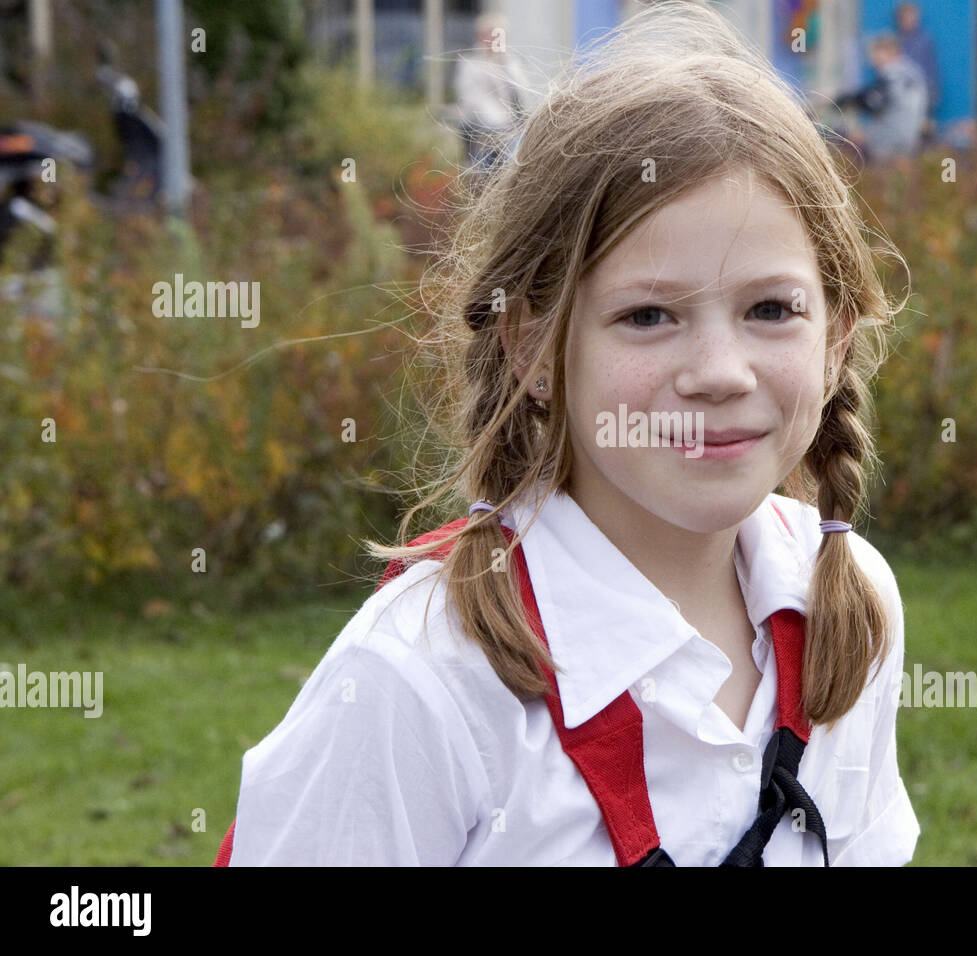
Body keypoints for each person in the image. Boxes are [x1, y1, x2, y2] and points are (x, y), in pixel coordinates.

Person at [225, 0, 918, 867]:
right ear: (534, 348)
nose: (719, 370)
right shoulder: (420, 677)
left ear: (835, 342)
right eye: (648, 315)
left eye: (771, 309)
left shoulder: (848, 609)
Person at [452, 13, 529, 176]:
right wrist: (501, 124)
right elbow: (471, 100)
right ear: (481, 37)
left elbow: (521, 93)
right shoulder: (470, 64)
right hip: (483, 131)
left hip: (509, 129)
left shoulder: (509, 63)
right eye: (492, 34)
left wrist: (504, 63)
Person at [834, 32, 929, 161]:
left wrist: (842, 101)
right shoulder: (913, 72)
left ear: (891, 52)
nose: (872, 58)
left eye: (876, 52)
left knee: (839, 138)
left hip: (889, 142)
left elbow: (873, 102)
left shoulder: (894, 74)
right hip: (909, 138)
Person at [895, 3, 940, 131]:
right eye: (905, 17)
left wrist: (933, 93)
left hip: (922, 91)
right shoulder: (895, 41)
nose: (909, 20)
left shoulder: (925, 41)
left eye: (912, 17)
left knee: (922, 127)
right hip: (901, 93)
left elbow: (931, 68)